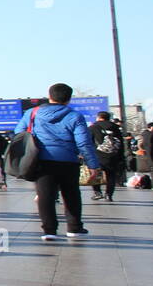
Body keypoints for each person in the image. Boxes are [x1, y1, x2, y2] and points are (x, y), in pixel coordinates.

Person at [14, 84, 100, 239]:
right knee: (72, 194)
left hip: (41, 160)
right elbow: (83, 143)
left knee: (45, 195)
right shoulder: (75, 116)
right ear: (68, 98)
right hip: (69, 161)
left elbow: (19, 132)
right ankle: (74, 228)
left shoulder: (32, 113)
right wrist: (92, 164)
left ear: (49, 95)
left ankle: (49, 230)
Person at [89, 111, 125, 202]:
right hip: (113, 155)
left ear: (98, 117)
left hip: (97, 154)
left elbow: (88, 141)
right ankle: (109, 195)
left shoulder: (93, 127)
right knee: (111, 176)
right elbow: (121, 143)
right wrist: (121, 156)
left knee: (96, 174)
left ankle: (97, 193)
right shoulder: (116, 128)